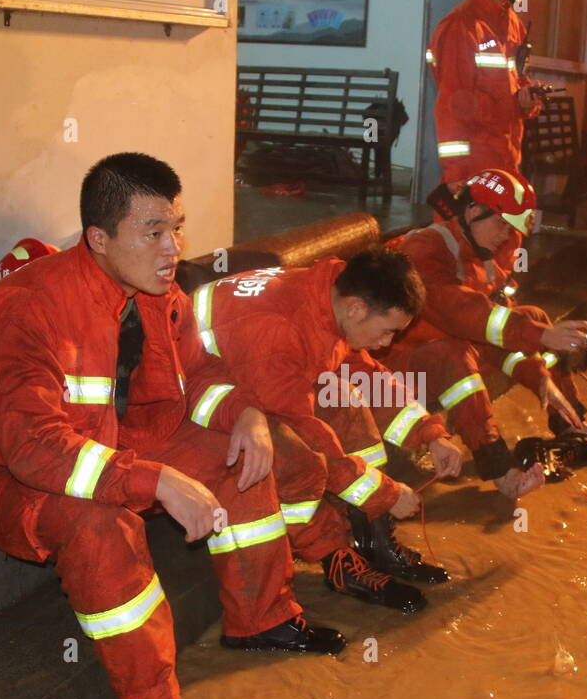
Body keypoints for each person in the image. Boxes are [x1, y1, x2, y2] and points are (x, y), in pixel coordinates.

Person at [0, 153, 344, 699]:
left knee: (238, 458)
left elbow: (202, 373)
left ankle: (262, 619)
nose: (173, 246)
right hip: (5, 477)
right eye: (153, 231)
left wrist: (244, 413)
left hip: (117, 439)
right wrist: (151, 479)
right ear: (98, 239)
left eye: (177, 227)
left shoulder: (159, 291)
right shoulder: (26, 309)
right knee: (102, 529)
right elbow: (33, 450)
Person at [189, 252, 465, 612]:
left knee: (345, 401)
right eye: (388, 331)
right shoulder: (277, 329)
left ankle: (373, 541)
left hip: (254, 380)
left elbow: (364, 371)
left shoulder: (325, 297)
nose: (388, 343)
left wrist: (430, 434)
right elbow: (304, 433)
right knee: (295, 457)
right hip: (199, 401)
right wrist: (383, 493)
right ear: (356, 308)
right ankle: (336, 560)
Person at [384, 168, 587, 498]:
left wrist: (540, 376)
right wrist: (540, 337)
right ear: (472, 211)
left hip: (442, 352)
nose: (505, 236)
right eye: (501, 224)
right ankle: (500, 469)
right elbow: (458, 311)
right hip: (392, 365)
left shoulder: (480, 257)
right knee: (456, 353)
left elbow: (501, 331)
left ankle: (571, 423)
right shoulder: (425, 248)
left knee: (534, 317)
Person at [428, 0, 540, 191]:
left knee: (506, 227)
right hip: (473, 170)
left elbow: (519, 81)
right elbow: (451, 108)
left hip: (507, 163)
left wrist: (528, 101)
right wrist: (455, 173)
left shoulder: (514, 25)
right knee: (467, 228)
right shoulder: (462, 26)